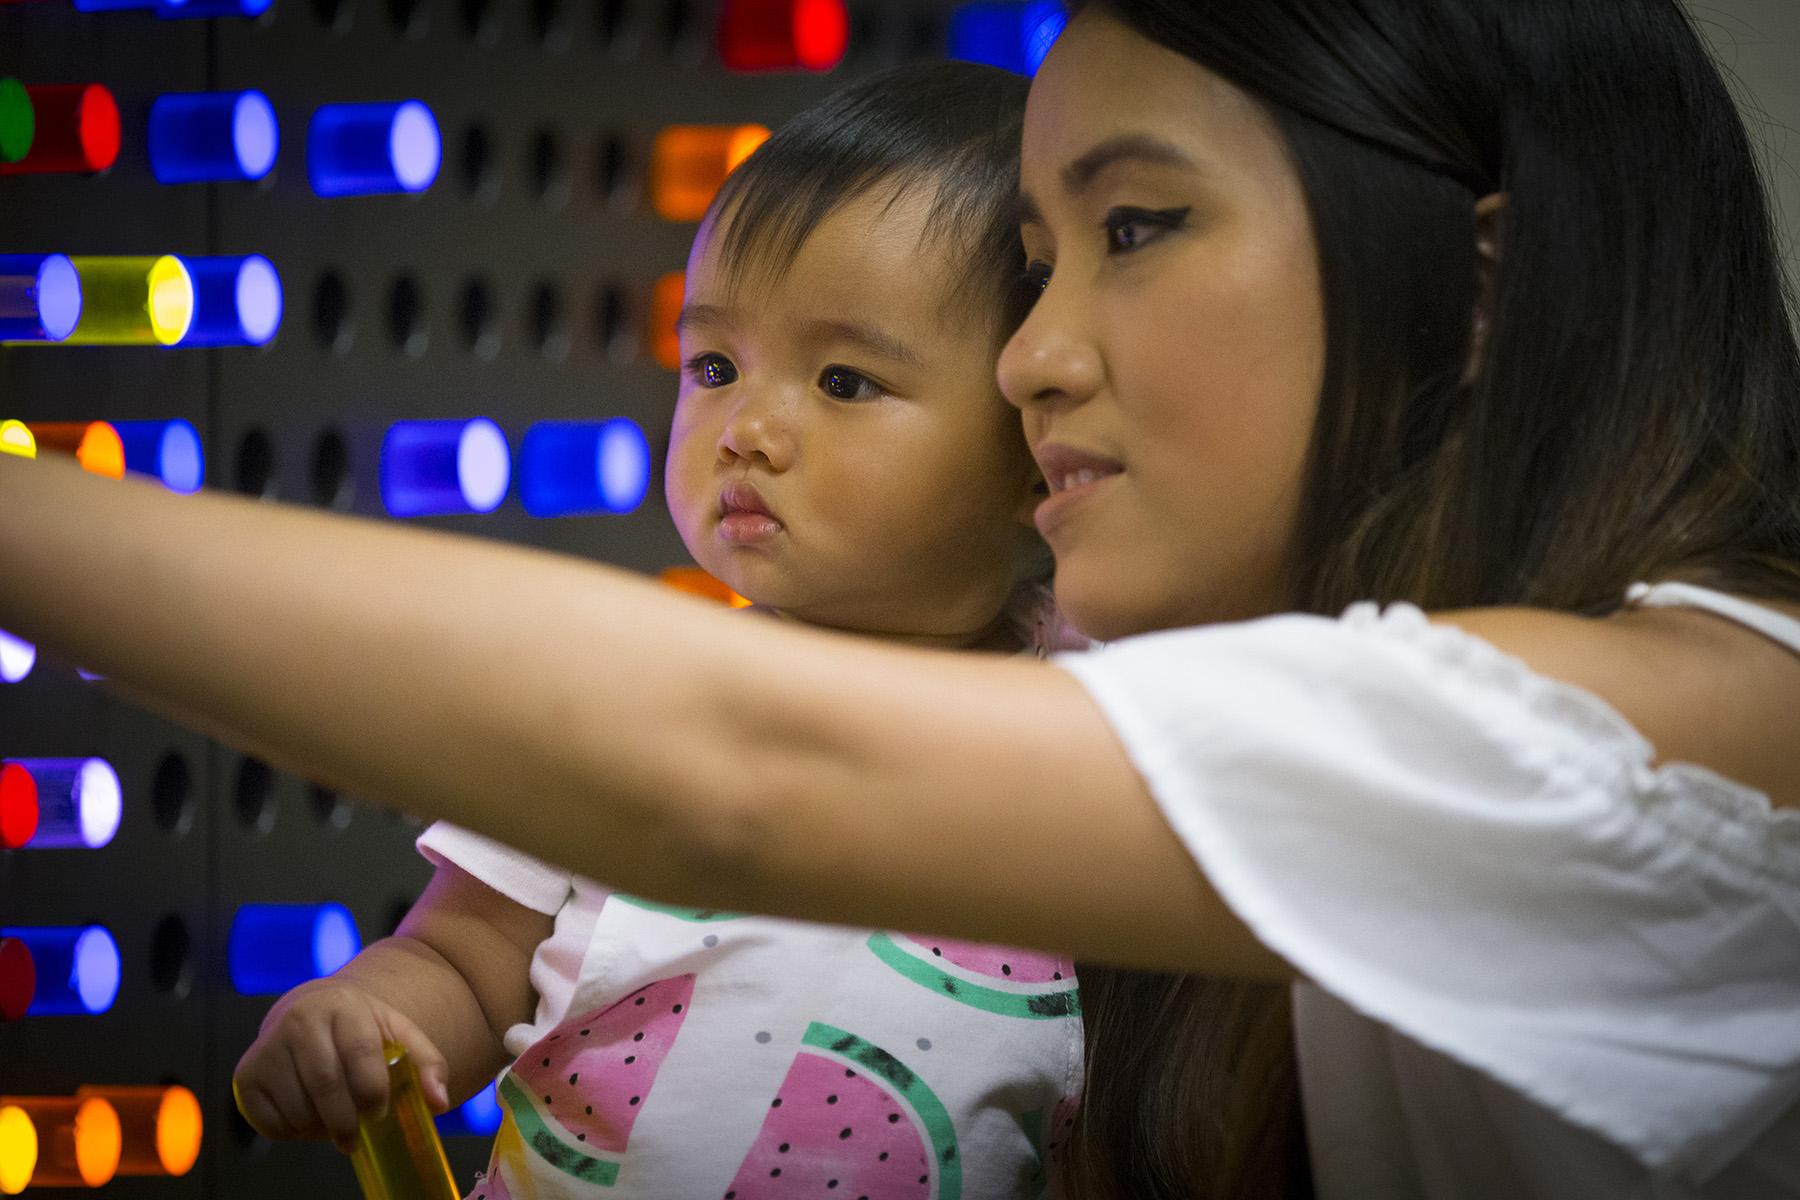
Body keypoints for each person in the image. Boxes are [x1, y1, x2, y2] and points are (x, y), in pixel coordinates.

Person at [1, 1, 1797, 1198]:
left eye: (1139, 226)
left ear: (1475, 292)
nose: (1031, 358)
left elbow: (737, 771)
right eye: (1033, 260)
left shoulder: (1675, 729)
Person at [229, 62, 1087, 1200]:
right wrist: (362, 1015)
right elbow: (465, 961)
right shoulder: (625, 694)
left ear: (1036, 430)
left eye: (842, 379)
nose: (745, 428)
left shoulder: (1098, 713)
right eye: (716, 366)